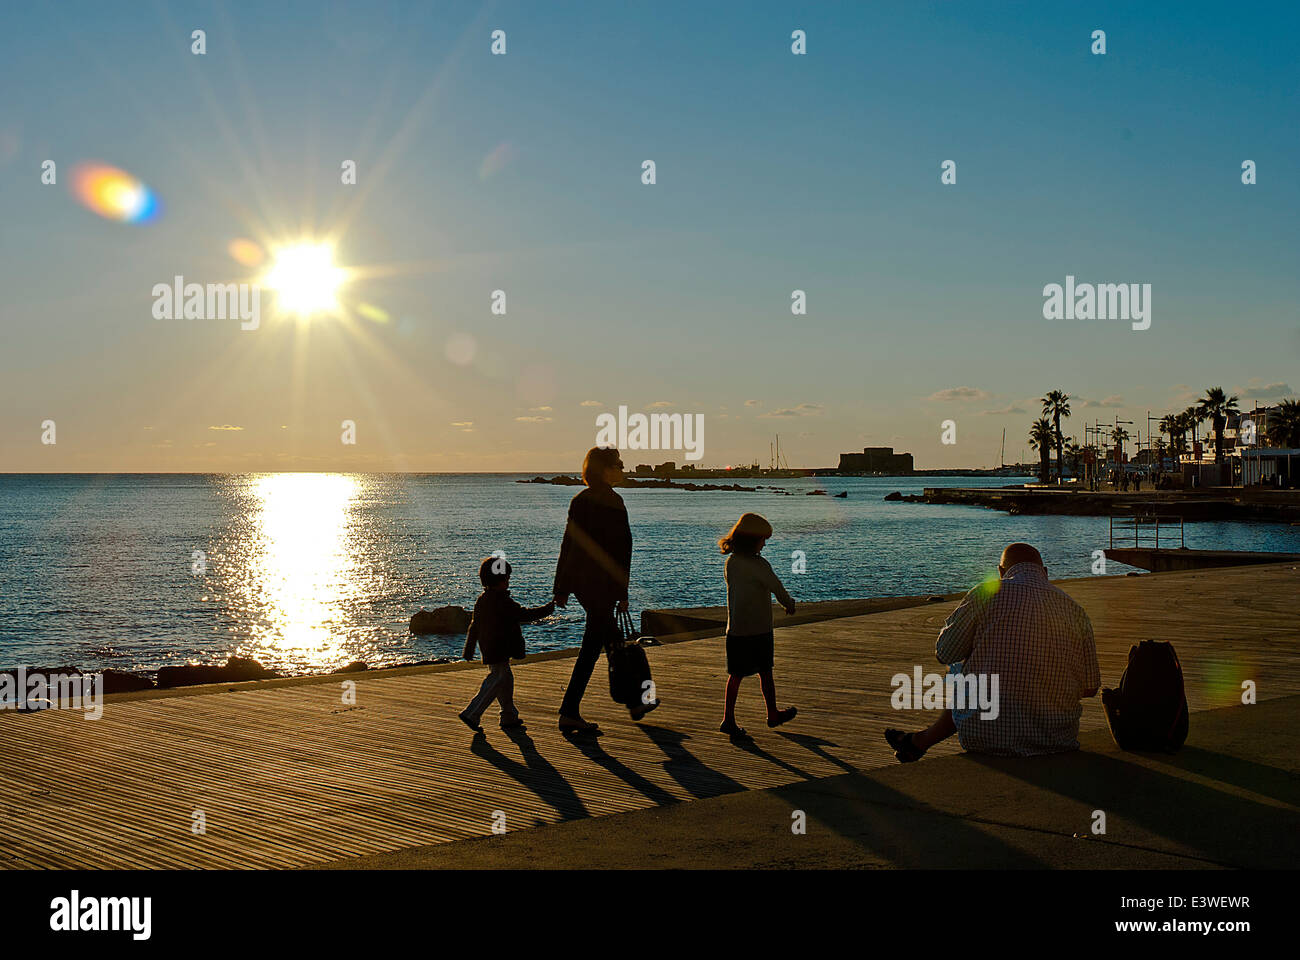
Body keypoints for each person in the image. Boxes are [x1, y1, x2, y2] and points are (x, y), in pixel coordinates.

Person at [884, 542, 1099, 760]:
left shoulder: (986, 593)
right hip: (1057, 740)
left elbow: (944, 653)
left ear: (1001, 571)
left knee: (959, 667)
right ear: (1044, 572)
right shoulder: (1074, 609)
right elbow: (1090, 688)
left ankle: (919, 742)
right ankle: (918, 742)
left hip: (985, 737)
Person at [553, 446, 642, 732]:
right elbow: (623, 550)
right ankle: (571, 711)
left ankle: (636, 700)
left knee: (606, 642)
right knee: (598, 645)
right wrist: (623, 591)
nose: (622, 469)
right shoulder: (614, 501)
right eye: (618, 464)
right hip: (601, 585)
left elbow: (569, 545)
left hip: (583, 584)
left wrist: (563, 587)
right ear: (604, 469)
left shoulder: (580, 500)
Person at [717, 512, 798, 739]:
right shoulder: (759, 564)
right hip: (759, 629)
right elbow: (777, 587)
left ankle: (729, 718)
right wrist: (789, 604)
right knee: (765, 672)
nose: (765, 544)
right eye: (763, 540)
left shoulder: (731, 562)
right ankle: (771, 713)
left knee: (735, 675)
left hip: (736, 629)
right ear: (753, 540)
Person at [459, 557, 555, 732]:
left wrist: (469, 648)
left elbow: (474, 626)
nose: (508, 582)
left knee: (505, 679)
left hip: (490, 647)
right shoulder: (501, 601)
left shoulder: (483, 600)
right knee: (497, 679)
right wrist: (547, 610)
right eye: (506, 579)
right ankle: (472, 713)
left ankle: (508, 715)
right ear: (499, 580)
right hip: (499, 647)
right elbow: (523, 614)